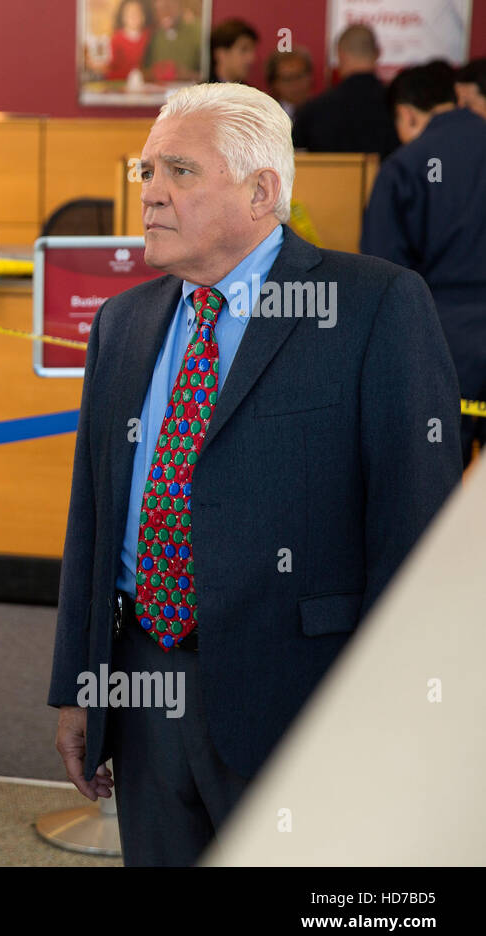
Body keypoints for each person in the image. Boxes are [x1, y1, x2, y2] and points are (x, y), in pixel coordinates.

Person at [49, 82, 461, 866]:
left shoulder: (373, 306)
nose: (150, 195)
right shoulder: (123, 323)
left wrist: (399, 720)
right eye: (144, 172)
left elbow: (417, 534)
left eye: (178, 171)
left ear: (261, 190)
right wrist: (78, 685)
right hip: (144, 685)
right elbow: (94, 521)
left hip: (303, 701)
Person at [362, 62, 486, 469]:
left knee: (440, 481)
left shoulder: (405, 165)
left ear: (408, 113)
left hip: (446, 341)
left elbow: (382, 274)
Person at [292, 24, 399, 158]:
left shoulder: (314, 111)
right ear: (378, 52)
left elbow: (295, 162)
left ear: (340, 54)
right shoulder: (399, 107)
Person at [144, 0, 201, 84]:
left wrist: (188, 74)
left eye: (168, 6)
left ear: (179, 5)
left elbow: (208, 74)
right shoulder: (153, 36)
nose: (164, 13)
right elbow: (144, 72)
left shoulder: (197, 31)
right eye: (159, 9)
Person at [266, 48, 313, 120]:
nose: (295, 84)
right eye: (288, 79)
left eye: (299, 76)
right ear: (274, 83)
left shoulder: (325, 114)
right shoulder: (266, 118)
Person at [209, 18, 257, 84]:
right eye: (244, 49)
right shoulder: (202, 92)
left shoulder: (251, 93)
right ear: (221, 54)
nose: (251, 58)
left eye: (252, 50)